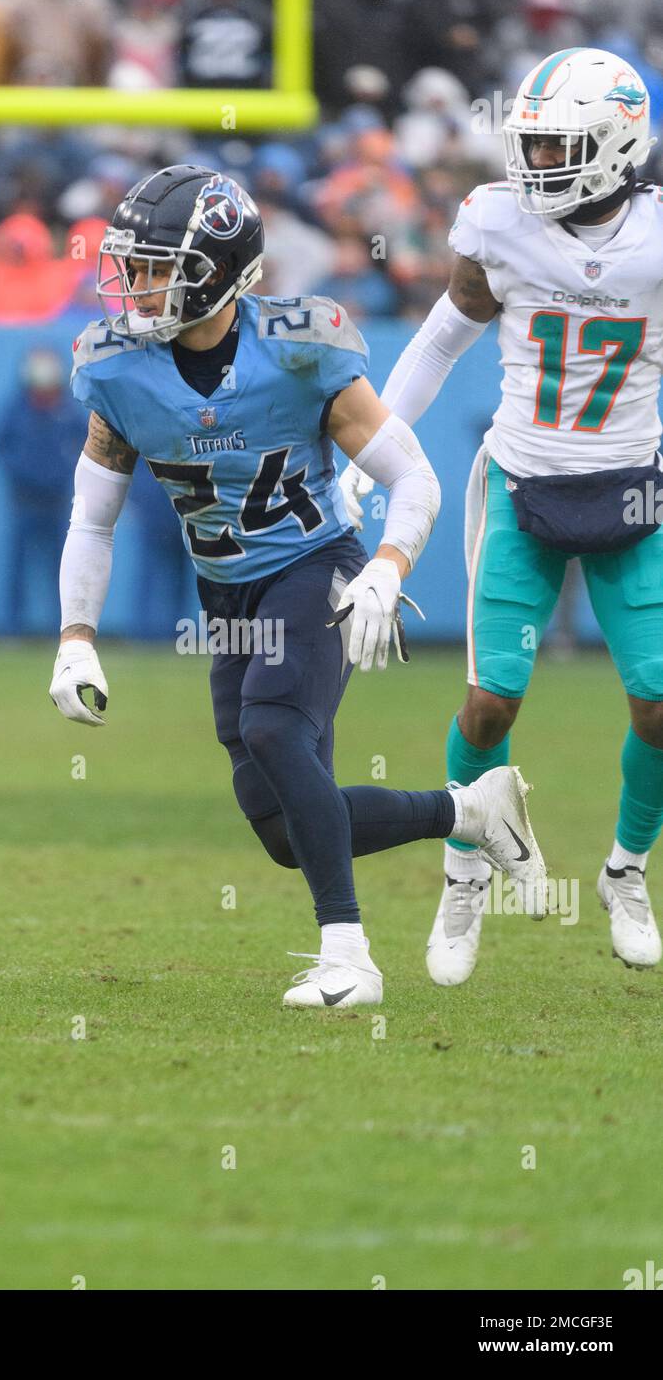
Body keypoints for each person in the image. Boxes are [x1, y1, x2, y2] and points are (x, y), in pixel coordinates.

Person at [48, 165, 547, 1010]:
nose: (132, 285)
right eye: (130, 264)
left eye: (155, 265)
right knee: (282, 827)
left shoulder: (301, 350)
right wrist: (75, 639)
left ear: (216, 269)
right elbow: (92, 521)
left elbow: (415, 479)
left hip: (318, 566)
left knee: (275, 728)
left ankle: (350, 957)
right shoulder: (117, 372)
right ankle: (470, 811)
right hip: (228, 594)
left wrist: (388, 568)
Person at [341, 47, 663, 984]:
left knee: (658, 703)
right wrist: (381, 440)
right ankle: (463, 871)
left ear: (615, 144)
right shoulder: (499, 223)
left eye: (560, 145)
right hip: (521, 485)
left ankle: (626, 871)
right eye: (532, 143)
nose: (537, 166)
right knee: (490, 704)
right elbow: (445, 334)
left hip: (633, 491)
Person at [0, 350, 86, 634]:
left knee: (62, 571)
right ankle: (11, 628)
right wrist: (19, 474)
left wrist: (64, 471)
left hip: (58, 501)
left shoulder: (69, 408)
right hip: (24, 501)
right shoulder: (16, 407)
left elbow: (88, 445)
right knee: (17, 568)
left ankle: (64, 629)